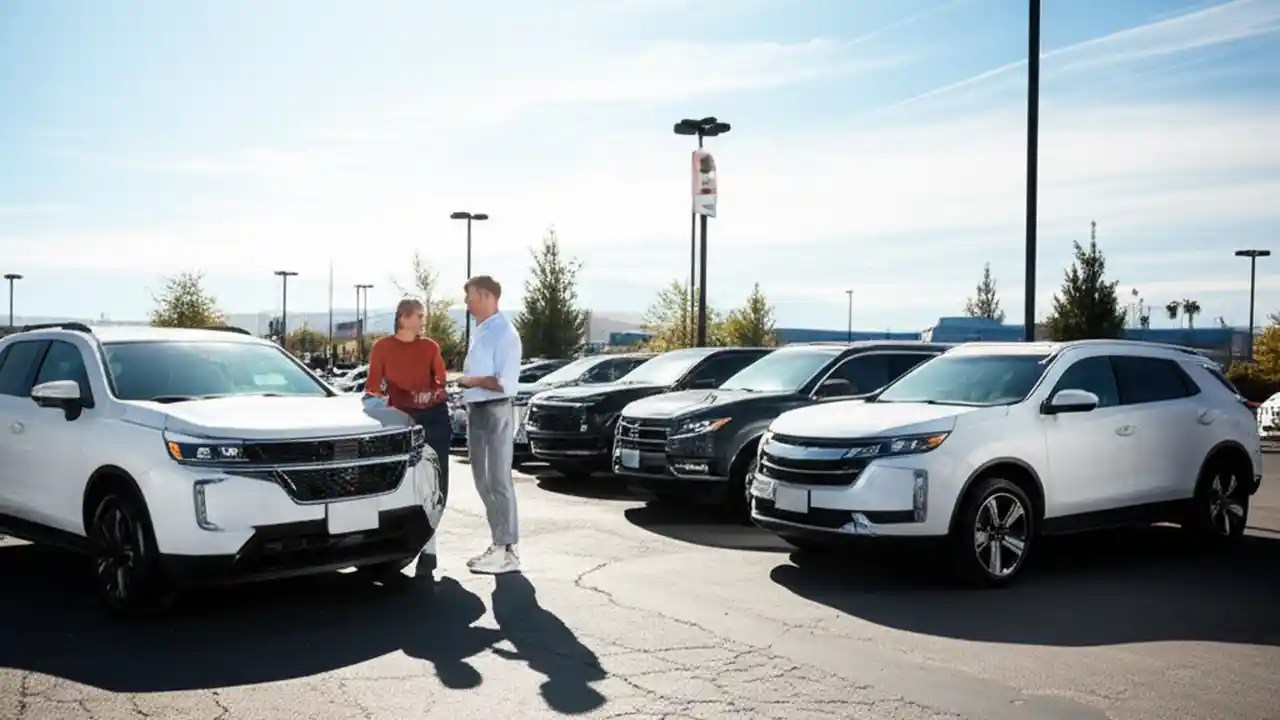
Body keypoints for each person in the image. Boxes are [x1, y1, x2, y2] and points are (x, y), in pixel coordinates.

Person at [364, 297, 451, 574]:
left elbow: (441, 381)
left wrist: (430, 393)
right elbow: (373, 387)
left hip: (433, 417)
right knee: (400, 480)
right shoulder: (382, 347)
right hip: (401, 419)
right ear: (403, 317)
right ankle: (394, 541)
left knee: (435, 479)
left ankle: (430, 545)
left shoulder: (430, 347)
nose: (423, 320)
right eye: (419, 315)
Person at [457, 275, 523, 574]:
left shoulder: (505, 334)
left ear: (485, 295)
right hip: (478, 410)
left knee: (497, 479)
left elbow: (506, 384)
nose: (467, 303)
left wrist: (468, 380)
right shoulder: (483, 331)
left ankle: (507, 549)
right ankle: (499, 544)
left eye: (470, 296)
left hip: (495, 410)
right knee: (483, 481)